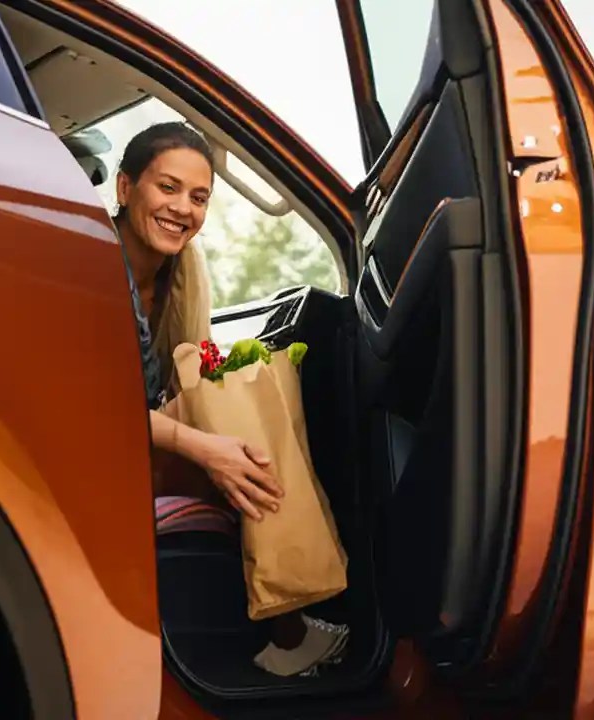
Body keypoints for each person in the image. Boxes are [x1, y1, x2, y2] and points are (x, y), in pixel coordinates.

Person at [113, 121, 348, 678]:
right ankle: (288, 631)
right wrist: (201, 445)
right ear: (125, 188)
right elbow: (88, 404)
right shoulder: (91, 263)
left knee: (244, 448)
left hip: (132, 444)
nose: (183, 209)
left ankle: (285, 624)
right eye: (166, 188)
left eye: (198, 197)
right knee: (239, 456)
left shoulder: (180, 278)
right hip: (88, 454)